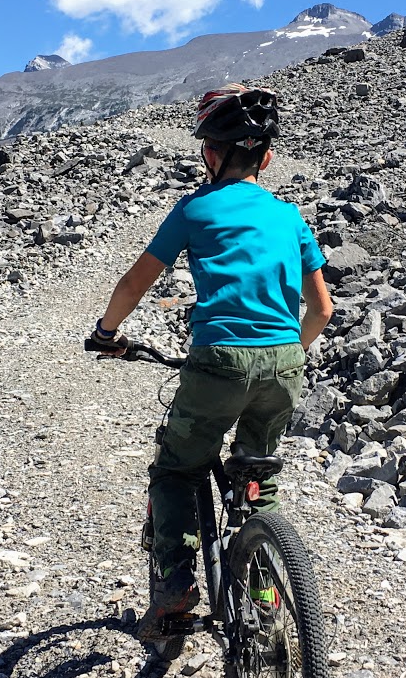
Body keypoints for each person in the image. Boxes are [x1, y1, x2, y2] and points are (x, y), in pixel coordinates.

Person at [90, 84, 333, 640]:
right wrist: (289, 352)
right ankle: (265, 599)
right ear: (267, 158)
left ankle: (175, 591)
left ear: (210, 154)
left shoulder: (194, 209)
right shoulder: (291, 216)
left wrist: (107, 333)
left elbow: (135, 282)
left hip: (218, 363)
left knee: (177, 469)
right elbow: (321, 308)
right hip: (286, 363)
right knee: (256, 475)